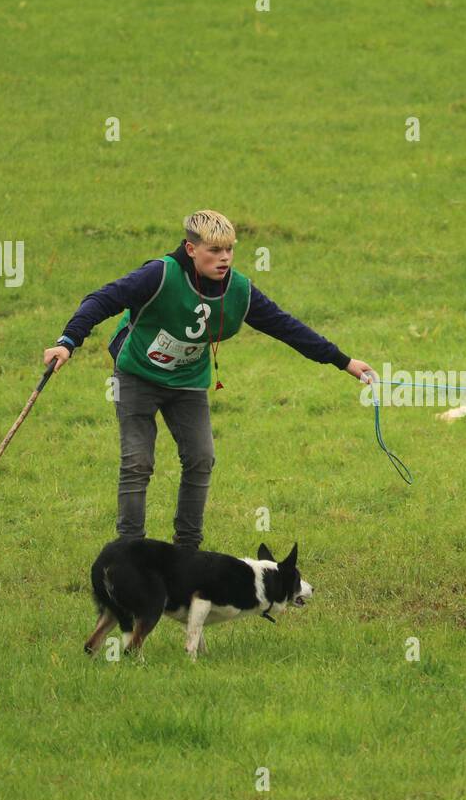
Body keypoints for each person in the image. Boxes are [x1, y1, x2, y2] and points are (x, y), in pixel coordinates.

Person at [42, 209, 374, 550]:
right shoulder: (159, 274)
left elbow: (287, 327)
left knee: (201, 458)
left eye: (229, 249)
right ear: (191, 249)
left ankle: (187, 550)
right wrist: (68, 341)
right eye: (214, 250)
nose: (224, 257)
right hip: (138, 374)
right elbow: (101, 300)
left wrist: (344, 361)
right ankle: (131, 550)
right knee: (138, 462)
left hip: (187, 381)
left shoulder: (239, 290)